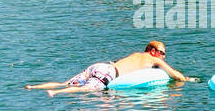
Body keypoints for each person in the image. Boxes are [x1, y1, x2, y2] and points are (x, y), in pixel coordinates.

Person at [26, 40, 192, 94]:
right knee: (87, 90)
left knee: (65, 82)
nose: (164, 56)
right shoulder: (153, 59)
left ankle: (33, 87)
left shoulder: (136, 55)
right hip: (109, 72)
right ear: (153, 51)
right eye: (162, 53)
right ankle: (55, 93)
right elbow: (173, 74)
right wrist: (186, 79)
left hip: (100, 66)